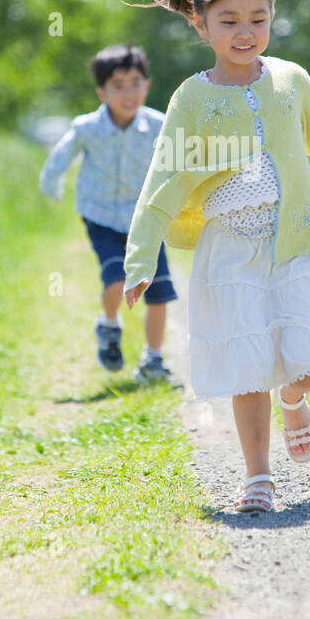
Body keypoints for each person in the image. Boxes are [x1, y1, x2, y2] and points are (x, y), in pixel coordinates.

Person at [122, 0, 310, 512]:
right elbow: (164, 181)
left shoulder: (292, 81)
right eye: (229, 21)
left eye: (258, 20)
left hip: (294, 242)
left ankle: (295, 399)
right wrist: (140, 257)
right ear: (201, 24)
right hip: (230, 250)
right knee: (247, 369)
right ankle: (257, 476)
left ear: (271, 18)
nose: (246, 33)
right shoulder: (192, 97)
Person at [39, 44, 181, 385]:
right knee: (116, 277)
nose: (128, 92)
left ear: (146, 86)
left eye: (135, 82)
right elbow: (59, 159)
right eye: (118, 85)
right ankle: (109, 323)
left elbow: (177, 165)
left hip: (145, 220)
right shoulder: (87, 127)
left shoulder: (160, 125)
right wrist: (52, 187)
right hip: (100, 215)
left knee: (157, 290)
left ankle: (154, 360)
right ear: (102, 91)